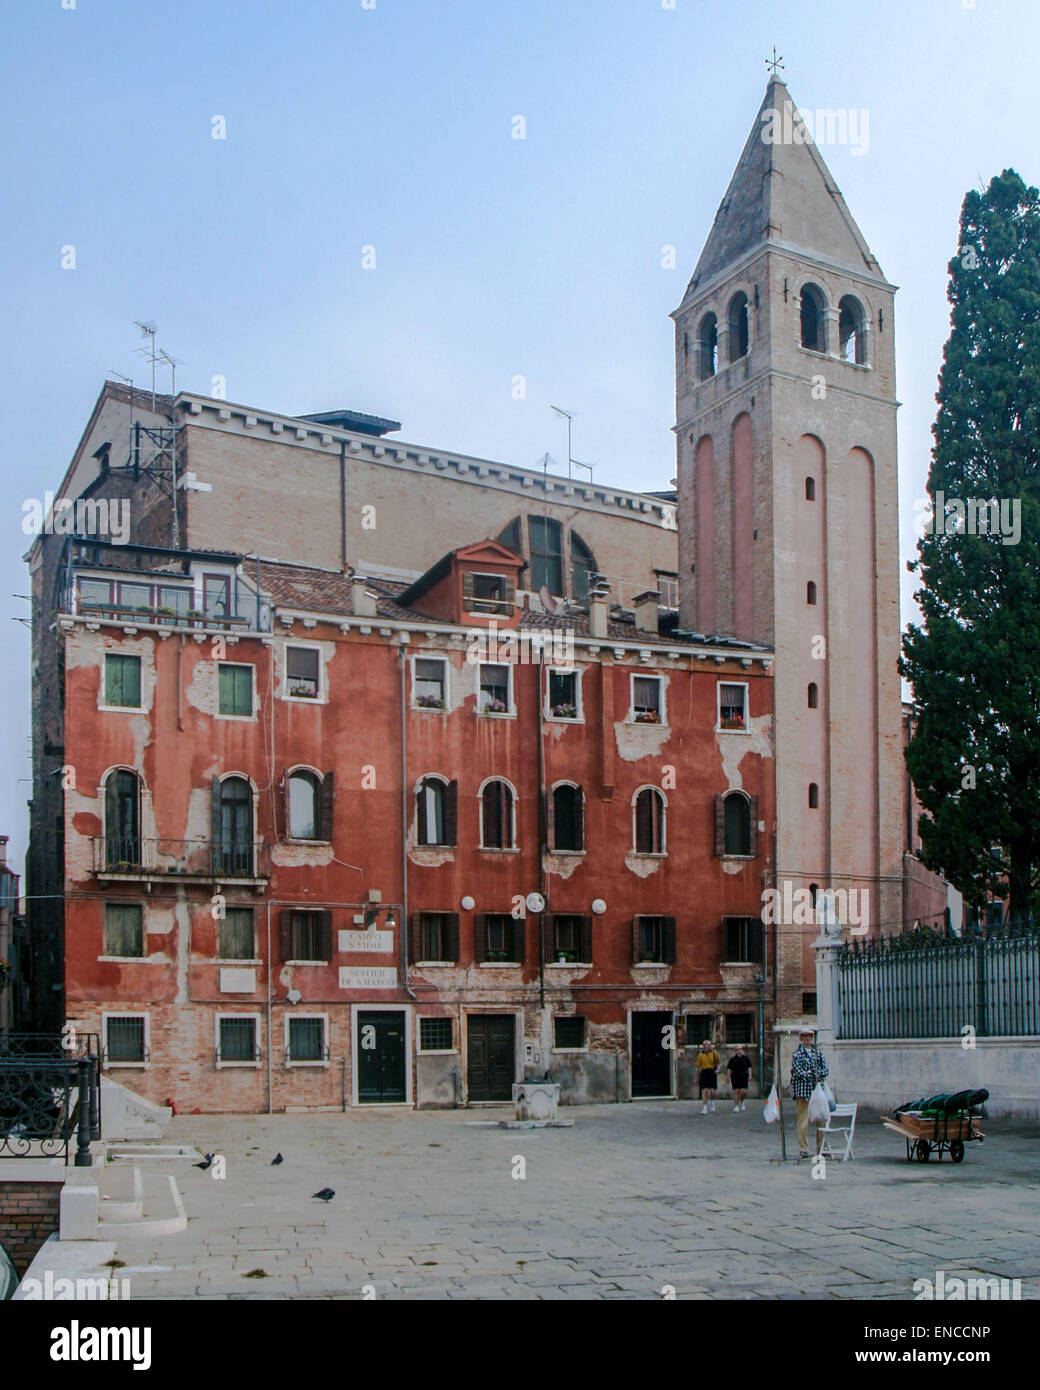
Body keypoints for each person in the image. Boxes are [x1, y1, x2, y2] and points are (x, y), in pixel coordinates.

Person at [790, 1028, 829, 1158]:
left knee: (821, 1119)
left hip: (817, 1091)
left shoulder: (818, 1053)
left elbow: (825, 1070)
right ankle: (803, 1148)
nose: (808, 1038)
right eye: (805, 1036)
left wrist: (815, 1074)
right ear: (801, 1038)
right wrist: (812, 1075)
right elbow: (798, 1071)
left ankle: (822, 1146)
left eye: (810, 1036)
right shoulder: (797, 1054)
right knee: (803, 1120)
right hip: (803, 1090)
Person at [695, 1038, 721, 1114]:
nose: (709, 1046)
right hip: (704, 1072)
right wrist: (696, 1077)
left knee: (712, 1091)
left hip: (712, 1072)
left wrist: (718, 1070)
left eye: (710, 1045)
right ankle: (704, 1107)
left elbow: (719, 1063)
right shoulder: (700, 1055)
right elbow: (697, 1066)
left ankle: (712, 1102)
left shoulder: (714, 1053)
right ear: (704, 1046)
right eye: (707, 1045)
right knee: (705, 1091)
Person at [726, 1044, 752, 1111]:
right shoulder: (732, 1059)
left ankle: (742, 1101)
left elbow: (749, 1067)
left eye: (740, 1049)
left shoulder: (746, 1058)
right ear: (735, 1051)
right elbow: (729, 1069)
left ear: (742, 1050)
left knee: (744, 1092)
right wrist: (728, 1077)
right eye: (737, 1049)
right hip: (735, 1077)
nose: (739, 1051)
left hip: (744, 1076)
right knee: (736, 1091)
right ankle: (736, 1106)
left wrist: (750, 1075)